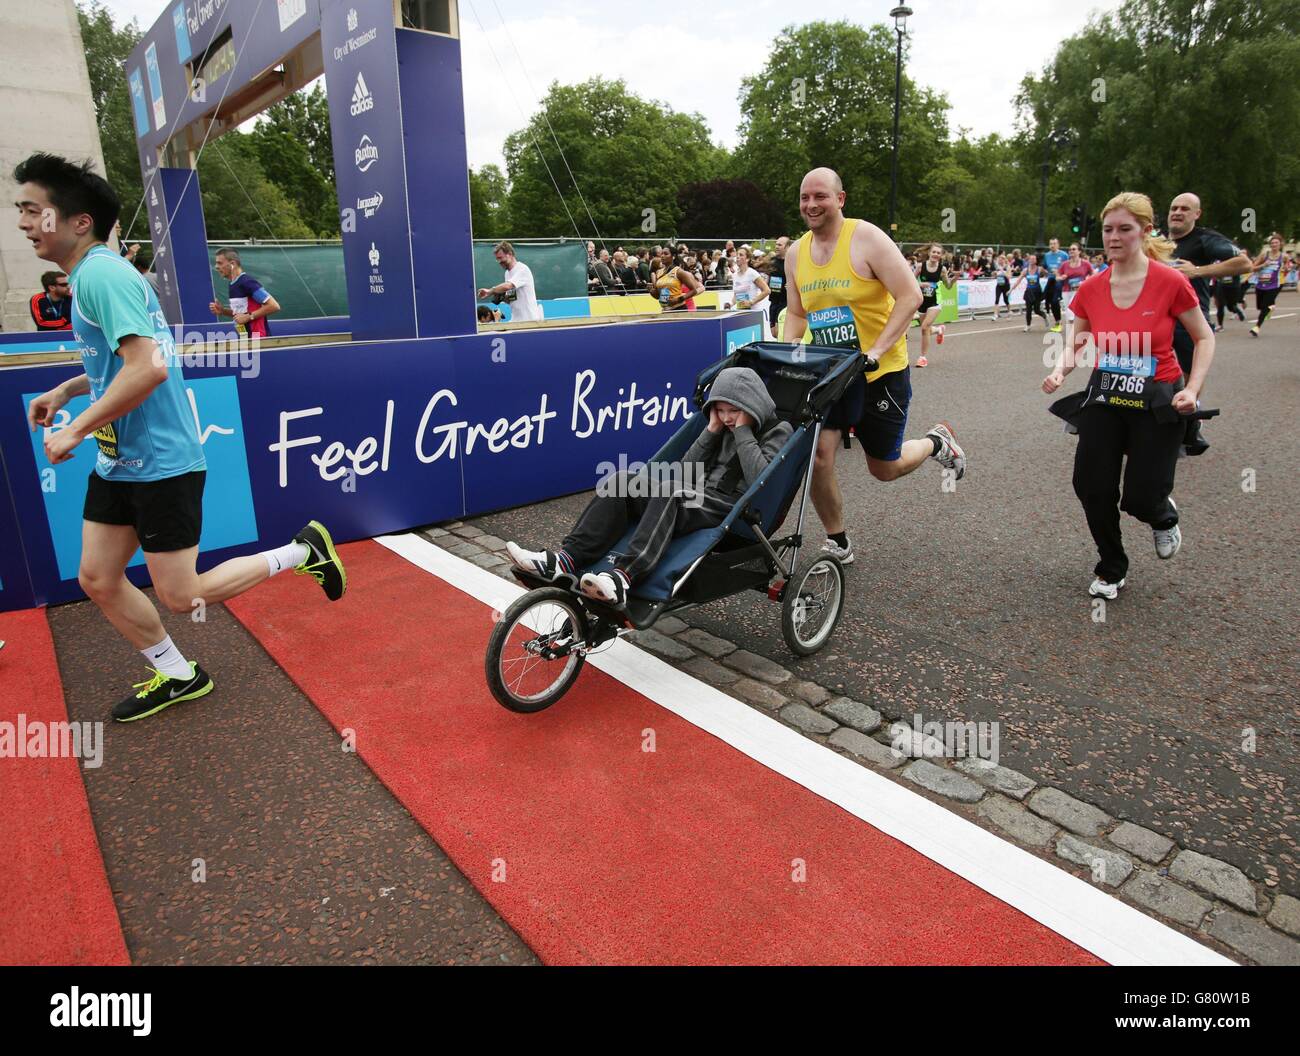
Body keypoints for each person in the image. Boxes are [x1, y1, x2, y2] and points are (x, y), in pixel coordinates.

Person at [15, 152, 346, 722]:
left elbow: (149, 369)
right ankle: (179, 674)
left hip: (163, 464)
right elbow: (123, 361)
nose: (23, 223)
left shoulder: (101, 275)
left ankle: (304, 550)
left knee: (180, 595)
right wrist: (70, 392)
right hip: (121, 463)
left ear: (77, 220)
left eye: (32, 210)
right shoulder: (94, 276)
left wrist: (76, 428)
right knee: (97, 577)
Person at [782, 168, 966, 566]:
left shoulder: (866, 237)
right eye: (804, 198)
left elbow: (910, 295)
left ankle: (936, 442)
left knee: (885, 468)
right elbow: (796, 314)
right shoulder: (796, 253)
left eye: (820, 196)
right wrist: (788, 350)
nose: (811, 205)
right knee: (818, 456)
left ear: (840, 199)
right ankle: (838, 541)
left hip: (879, 372)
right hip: (830, 374)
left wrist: (878, 350)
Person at [1042, 191, 1213, 600]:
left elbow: (1203, 337)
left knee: (1139, 497)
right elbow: (1078, 339)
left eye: (1124, 229)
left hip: (1158, 398)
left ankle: (1161, 513)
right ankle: (1111, 566)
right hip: (1108, 394)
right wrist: (1061, 369)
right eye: (1107, 230)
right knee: (1091, 484)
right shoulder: (1092, 287)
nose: (1114, 237)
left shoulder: (1170, 282)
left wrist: (1191, 390)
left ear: (1145, 231)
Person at [505, 367, 792, 606]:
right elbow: (684, 471)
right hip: (691, 495)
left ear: (753, 405)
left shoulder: (778, 430)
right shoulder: (720, 427)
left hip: (732, 506)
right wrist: (711, 430)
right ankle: (565, 561)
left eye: (734, 411)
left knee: (671, 491)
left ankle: (623, 577)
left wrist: (742, 430)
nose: (728, 418)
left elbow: (760, 478)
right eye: (721, 410)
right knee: (621, 481)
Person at [1165, 192, 1252, 455]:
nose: (1177, 212)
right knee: (1151, 369)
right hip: (1157, 316)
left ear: (1196, 214)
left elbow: (1243, 263)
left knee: (1190, 376)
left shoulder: (1205, 239)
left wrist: (1197, 271)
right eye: (1173, 208)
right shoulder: (1157, 240)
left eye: (1184, 209)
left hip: (1190, 318)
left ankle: (1190, 424)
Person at [209, 248, 280, 338]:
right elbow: (240, 314)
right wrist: (223, 311)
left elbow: (274, 306)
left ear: (232, 264)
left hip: (258, 339)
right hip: (245, 338)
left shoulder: (247, 282)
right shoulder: (233, 284)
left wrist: (248, 317)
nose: (216, 266)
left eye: (220, 263)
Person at [477, 240, 543, 322]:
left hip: (529, 319)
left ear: (510, 254)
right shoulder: (507, 273)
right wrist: (502, 297)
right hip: (516, 319)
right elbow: (511, 299)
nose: (499, 262)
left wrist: (490, 291)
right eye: (497, 259)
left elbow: (508, 286)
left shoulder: (522, 269)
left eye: (500, 258)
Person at [912, 242, 949, 368]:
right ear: (929, 253)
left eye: (938, 253)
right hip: (922, 301)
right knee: (926, 328)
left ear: (941, 255)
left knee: (924, 328)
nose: (936, 254)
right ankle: (939, 330)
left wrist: (953, 278)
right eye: (934, 252)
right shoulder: (920, 266)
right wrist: (920, 285)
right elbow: (910, 281)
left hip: (935, 302)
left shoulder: (942, 269)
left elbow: (947, 285)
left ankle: (922, 358)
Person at [1248, 233, 1287, 337]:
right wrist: (1263, 265)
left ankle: (1257, 327)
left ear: (1280, 244)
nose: (1274, 244)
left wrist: (1286, 269)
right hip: (1261, 284)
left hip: (1275, 285)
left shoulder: (1284, 257)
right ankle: (1271, 307)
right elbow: (1253, 267)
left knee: (1265, 306)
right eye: (1272, 243)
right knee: (1260, 306)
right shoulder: (1264, 255)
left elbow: (1287, 268)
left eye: (1276, 243)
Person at [727, 246, 771, 336]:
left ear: (747, 259)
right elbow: (736, 294)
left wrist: (751, 302)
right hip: (741, 312)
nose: (737, 257)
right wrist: (730, 304)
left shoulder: (752, 273)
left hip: (753, 313)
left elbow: (767, 290)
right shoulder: (735, 275)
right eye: (737, 255)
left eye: (741, 255)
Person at [652, 245, 703, 311]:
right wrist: (651, 291)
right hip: (665, 309)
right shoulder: (658, 272)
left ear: (673, 256)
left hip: (679, 309)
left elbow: (694, 291)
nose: (662, 256)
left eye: (666, 254)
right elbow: (658, 296)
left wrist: (678, 299)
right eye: (661, 253)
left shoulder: (679, 271)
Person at [1011, 254, 1051, 331]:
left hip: (1037, 292)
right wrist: (1011, 290)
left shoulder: (1039, 269)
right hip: (1029, 292)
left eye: (1033, 259)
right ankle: (1028, 325)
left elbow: (1048, 274)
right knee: (1028, 309)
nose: (1032, 260)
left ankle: (1044, 316)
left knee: (1036, 310)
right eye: (1030, 259)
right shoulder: (1025, 270)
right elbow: (1018, 280)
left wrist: (1052, 278)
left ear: (1036, 261)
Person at [1042, 237, 1067, 332]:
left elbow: (1068, 267)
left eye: (1054, 243)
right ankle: (1056, 321)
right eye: (1051, 244)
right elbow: (1044, 268)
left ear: (1058, 245)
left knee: (1055, 301)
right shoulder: (1047, 255)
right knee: (1047, 300)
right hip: (1050, 280)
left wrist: (1061, 274)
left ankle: (1059, 323)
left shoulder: (1063, 255)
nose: (1052, 245)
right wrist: (1044, 271)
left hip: (1059, 280)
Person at [767, 235, 790, 321]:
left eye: (780, 245)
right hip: (773, 301)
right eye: (776, 244)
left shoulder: (791, 261)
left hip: (786, 301)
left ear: (787, 247)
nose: (776, 247)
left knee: (780, 330)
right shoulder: (772, 261)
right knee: (773, 332)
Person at [992, 253, 1012, 320]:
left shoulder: (1007, 267)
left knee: (1005, 300)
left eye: (1001, 260)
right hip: (999, 285)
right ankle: (995, 314)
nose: (999, 261)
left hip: (1006, 286)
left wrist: (1003, 272)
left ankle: (1009, 311)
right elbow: (995, 276)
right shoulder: (997, 267)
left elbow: (1009, 277)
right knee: (997, 299)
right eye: (999, 260)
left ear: (1004, 260)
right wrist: (994, 274)